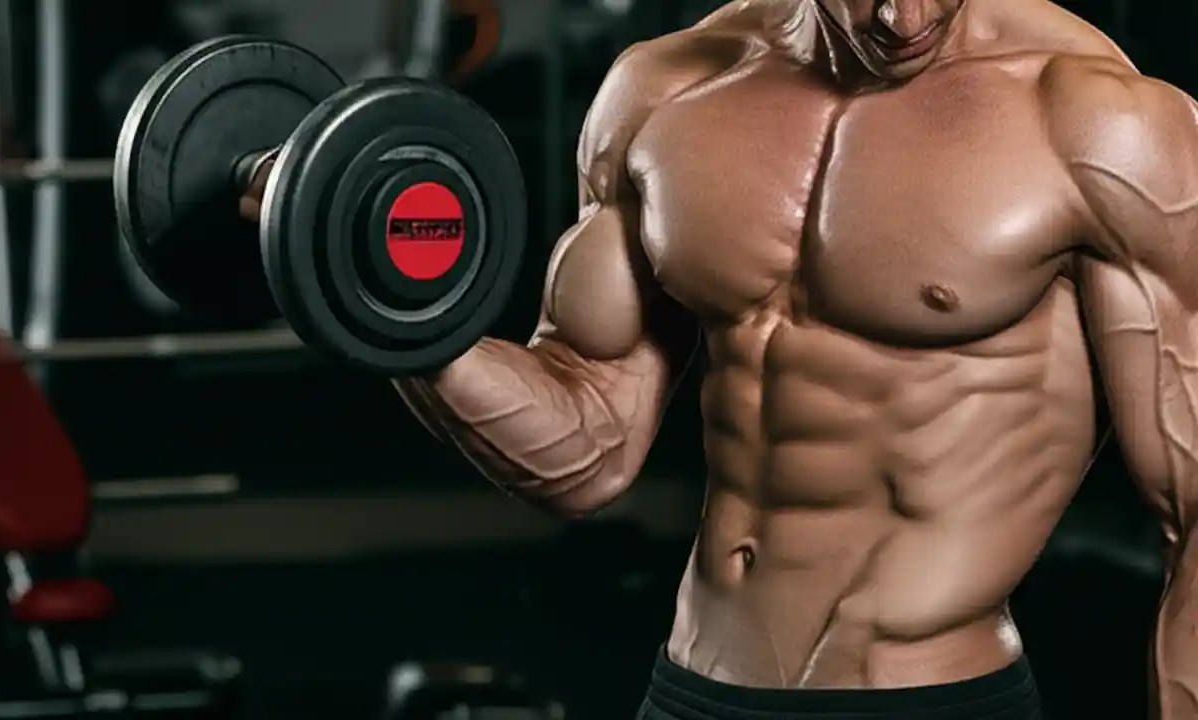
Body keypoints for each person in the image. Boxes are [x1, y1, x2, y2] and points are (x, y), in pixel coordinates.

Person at [241, 0, 1195, 716]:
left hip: (926, 697)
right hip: (694, 688)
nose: (899, 17)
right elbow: (585, 448)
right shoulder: (667, 93)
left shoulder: (1097, 124)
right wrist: (370, 288)